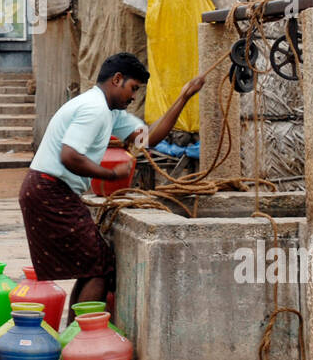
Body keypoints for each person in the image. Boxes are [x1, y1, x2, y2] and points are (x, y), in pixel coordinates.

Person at [19, 52, 206, 322]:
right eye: (133, 88)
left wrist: (185, 96)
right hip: (49, 190)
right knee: (100, 267)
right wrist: (109, 173)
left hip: (50, 190)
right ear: (117, 80)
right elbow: (69, 156)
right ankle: (79, 345)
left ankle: (72, 347)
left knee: (93, 266)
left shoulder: (110, 112)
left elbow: (147, 139)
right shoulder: (94, 109)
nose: (133, 97)